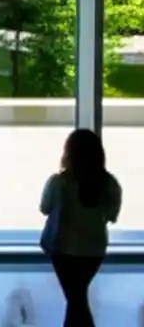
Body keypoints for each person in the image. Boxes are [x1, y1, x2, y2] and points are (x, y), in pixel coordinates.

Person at [40, 128, 122, 327]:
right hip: (93, 250)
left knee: (76, 300)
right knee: (77, 298)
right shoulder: (109, 184)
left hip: (62, 249)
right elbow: (111, 216)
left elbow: (44, 208)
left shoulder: (58, 183)